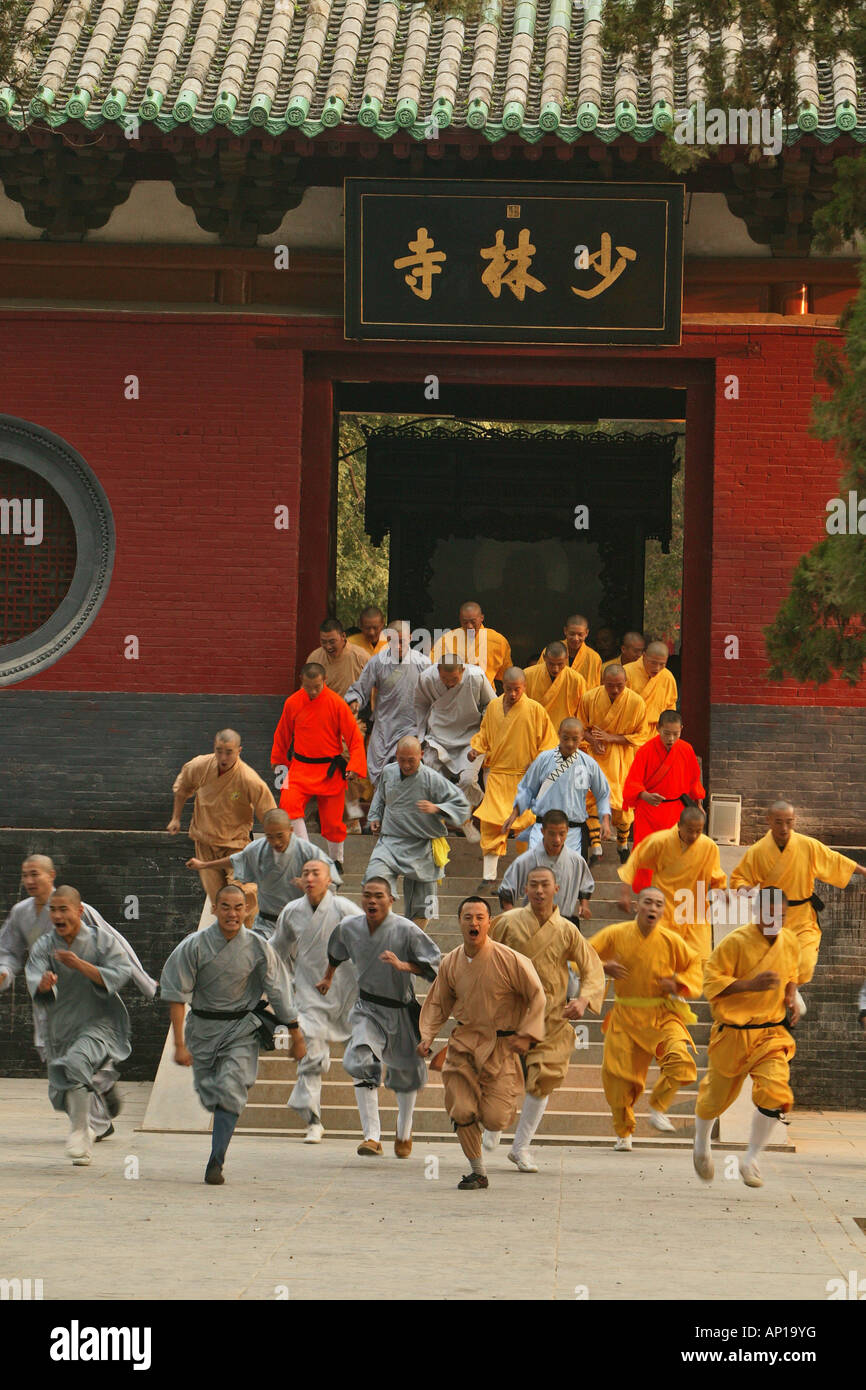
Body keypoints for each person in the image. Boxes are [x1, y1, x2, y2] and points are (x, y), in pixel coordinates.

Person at [0, 854, 157, 1141]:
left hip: (86, 996)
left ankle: (99, 1096)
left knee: (86, 1057)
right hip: (50, 996)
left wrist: (145, 982)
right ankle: (99, 1120)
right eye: (25, 875)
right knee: (56, 1057)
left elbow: (115, 943)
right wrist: (4, 972)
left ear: (51, 875)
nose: (29, 881)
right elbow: (8, 950)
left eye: (35, 874)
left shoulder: (78, 909)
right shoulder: (21, 912)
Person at [161, 883, 305, 1185]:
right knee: (209, 1093)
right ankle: (219, 1131)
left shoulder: (257, 946)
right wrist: (179, 1044)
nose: (232, 913)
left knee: (231, 1086)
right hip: (202, 1028)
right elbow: (176, 995)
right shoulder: (194, 945)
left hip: (241, 1029)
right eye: (225, 906)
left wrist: (295, 1033)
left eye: (239, 907)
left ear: (247, 910)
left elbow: (278, 990)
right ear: (214, 909)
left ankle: (216, 1160)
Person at [417, 896, 547, 1190]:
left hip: (501, 1046)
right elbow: (438, 1002)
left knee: (495, 1118)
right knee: (461, 1110)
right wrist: (427, 1036)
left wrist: (527, 1032)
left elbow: (537, 994)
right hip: (463, 1043)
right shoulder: (450, 962)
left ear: (489, 922)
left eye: (479, 917)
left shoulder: (510, 959)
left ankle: (485, 1121)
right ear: (459, 922)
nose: (473, 923)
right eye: (467, 917)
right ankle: (477, 1171)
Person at [487, 866, 605, 1171]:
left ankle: (521, 1147)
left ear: (557, 889)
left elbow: (591, 965)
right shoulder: (508, 923)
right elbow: (482, 952)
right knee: (500, 1075)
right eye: (533, 885)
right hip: (511, 1013)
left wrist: (583, 999)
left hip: (551, 1015)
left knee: (546, 1078)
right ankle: (493, 1122)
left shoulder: (566, 929)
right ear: (525, 890)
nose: (539, 891)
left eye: (545, 886)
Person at [316, 878, 441, 1158]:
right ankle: (372, 1136)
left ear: (391, 899)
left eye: (378, 896)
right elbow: (336, 951)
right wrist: (327, 977)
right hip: (367, 1008)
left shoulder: (406, 929)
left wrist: (403, 965)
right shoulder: (350, 927)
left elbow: (435, 966)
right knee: (361, 1059)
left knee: (405, 1077)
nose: (372, 901)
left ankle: (404, 1132)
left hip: (400, 1008)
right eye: (367, 896)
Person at [693, 888, 801, 1188]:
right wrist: (750, 985)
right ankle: (701, 1143)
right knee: (715, 1098)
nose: (775, 921)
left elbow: (792, 975)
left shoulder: (790, 941)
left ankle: (751, 1158)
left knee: (776, 1092)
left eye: (781, 915)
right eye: (769, 915)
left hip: (770, 1034)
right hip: (733, 1034)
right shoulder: (735, 943)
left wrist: (790, 997)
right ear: (756, 912)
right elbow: (712, 983)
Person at [25, 886, 136, 1167]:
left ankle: (77, 1131)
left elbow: (121, 972)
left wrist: (80, 965)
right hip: (61, 1027)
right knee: (60, 1091)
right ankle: (84, 1133)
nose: (58, 915)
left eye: (64, 909)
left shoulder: (101, 942)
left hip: (100, 1023)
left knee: (76, 1062)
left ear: (79, 911)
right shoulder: (45, 945)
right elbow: (34, 975)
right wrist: (43, 984)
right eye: (53, 910)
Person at [589, 886, 703, 1146]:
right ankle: (624, 1132)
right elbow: (582, 954)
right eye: (648, 902)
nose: (652, 908)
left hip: (662, 1014)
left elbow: (694, 964)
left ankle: (658, 1106)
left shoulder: (671, 940)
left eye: (658, 904)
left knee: (680, 1059)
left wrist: (678, 983)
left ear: (664, 910)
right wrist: (604, 966)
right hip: (625, 1016)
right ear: (637, 905)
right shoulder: (616, 934)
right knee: (617, 1079)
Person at [729, 800, 866, 991]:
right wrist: (744, 888)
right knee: (772, 966)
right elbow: (740, 877)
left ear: (794, 821)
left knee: (805, 961)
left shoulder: (807, 845)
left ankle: (791, 990)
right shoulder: (758, 851)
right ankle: (786, 995)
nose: (784, 828)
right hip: (772, 918)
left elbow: (834, 860)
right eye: (778, 822)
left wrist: (864, 871)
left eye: (789, 821)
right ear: (769, 821)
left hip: (803, 916)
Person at [270, 858, 360, 1143]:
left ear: (329, 879)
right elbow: (276, 951)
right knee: (311, 1056)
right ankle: (314, 1120)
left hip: (346, 991)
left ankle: (373, 1130)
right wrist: (276, 986)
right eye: (305, 873)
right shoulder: (292, 911)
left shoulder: (345, 909)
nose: (310, 878)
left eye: (315, 873)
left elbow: (369, 938)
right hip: (309, 992)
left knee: (363, 1056)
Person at [185, 808, 341, 938]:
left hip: (301, 922)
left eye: (280, 835)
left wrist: (312, 888)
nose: (276, 842)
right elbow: (236, 860)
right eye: (270, 837)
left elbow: (330, 880)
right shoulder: (258, 849)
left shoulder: (308, 851)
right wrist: (204, 865)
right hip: (266, 924)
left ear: (291, 830)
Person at [271, 663, 367, 874]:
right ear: (301, 681)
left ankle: (336, 860)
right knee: (288, 803)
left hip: (329, 770)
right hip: (300, 767)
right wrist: (280, 763)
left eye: (317, 687)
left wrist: (354, 766)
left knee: (333, 822)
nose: (313, 691)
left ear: (324, 681)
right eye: (308, 687)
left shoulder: (337, 704)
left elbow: (354, 739)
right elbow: (282, 735)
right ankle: (307, 854)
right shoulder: (292, 702)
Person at [365, 736, 470, 925]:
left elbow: (462, 804)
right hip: (390, 842)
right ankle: (382, 932)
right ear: (396, 756)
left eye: (411, 760)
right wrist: (375, 816)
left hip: (423, 845)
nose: (406, 765)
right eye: (402, 759)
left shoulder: (432, 779)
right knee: (374, 882)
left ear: (421, 755)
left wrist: (437, 808)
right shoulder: (388, 773)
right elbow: (380, 795)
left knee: (424, 907)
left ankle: (414, 941)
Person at [468, 668, 557, 890]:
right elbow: (484, 734)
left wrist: (536, 762)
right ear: (503, 688)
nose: (513, 694)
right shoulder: (493, 707)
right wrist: (476, 749)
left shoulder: (535, 710)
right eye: (509, 689)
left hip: (524, 778)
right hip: (497, 774)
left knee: (525, 825)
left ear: (524, 687)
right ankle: (489, 876)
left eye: (517, 689)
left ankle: (527, 875)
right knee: (491, 824)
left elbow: (549, 744)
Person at [168, 729, 275, 909]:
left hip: (235, 845)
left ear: (239, 751)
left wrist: (275, 845)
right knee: (220, 902)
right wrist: (175, 818)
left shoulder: (248, 779)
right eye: (219, 751)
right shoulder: (199, 766)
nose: (223, 757)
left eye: (229, 752)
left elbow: (269, 813)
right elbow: (182, 789)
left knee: (244, 895)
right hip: (204, 843)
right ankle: (227, 936)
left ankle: (252, 935)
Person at [616, 806, 726, 961]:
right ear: (679, 825)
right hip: (664, 912)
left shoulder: (709, 847)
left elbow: (717, 878)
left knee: (698, 961)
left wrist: (721, 894)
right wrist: (625, 893)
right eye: (689, 830)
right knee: (657, 960)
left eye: (698, 831)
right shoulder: (660, 841)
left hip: (695, 914)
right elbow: (634, 861)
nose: (694, 835)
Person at [503, 716, 611, 861]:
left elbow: (603, 793)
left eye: (575, 739)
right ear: (559, 734)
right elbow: (527, 789)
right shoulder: (544, 759)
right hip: (543, 828)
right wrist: (513, 815)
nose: (570, 743)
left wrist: (604, 820)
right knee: (538, 874)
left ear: (581, 738)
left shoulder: (588, 764)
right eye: (565, 738)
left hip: (573, 831)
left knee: (569, 878)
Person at [414, 653, 495, 841]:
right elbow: (420, 705)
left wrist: (485, 735)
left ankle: (464, 816)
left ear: (463, 670)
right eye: (445, 679)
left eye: (454, 679)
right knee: (431, 777)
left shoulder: (476, 676)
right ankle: (446, 822)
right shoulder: (427, 678)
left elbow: (492, 705)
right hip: (438, 735)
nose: (449, 683)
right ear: (437, 671)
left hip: (470, 737)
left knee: (467, 781)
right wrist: (420, 737)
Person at [345, 620, 430, 783]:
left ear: (410, 637)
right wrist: (355, 700)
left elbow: (434, 695)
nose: (398, 646)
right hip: (385, 726)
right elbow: (360, 688)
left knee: (408, 773)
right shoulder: (377, 662)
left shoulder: (422, 663)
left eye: (402, 641)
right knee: (381, 776)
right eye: (394, 642)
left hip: (411, 726)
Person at [579, 664, 647, 863]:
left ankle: (622, 843)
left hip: (622, 758)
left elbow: (640, 736)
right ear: (602, 682)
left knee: (623, 804)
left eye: (619, 685)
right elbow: (581, 727)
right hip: (595, 757)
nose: (615, 690)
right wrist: (593, 741)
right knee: (591, 799)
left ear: (626, 682)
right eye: (610, 685)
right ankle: (596, 846)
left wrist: (611, 738)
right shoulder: (589, 698)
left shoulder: (636, 702)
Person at [621, 710, 705, 851]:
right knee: (646, 856)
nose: (671, 739)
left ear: (681, 729)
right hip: (649, 812)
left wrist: (698, 803)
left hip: (677, 812)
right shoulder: (645, 751)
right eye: (666, 733)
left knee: (674, 856)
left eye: (675, 734)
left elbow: (694, 780)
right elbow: (632, 782)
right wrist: (644, 795)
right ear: (658, 728)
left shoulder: (686, 749)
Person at [499, 809, 595, 923]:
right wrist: (512, 920)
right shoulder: (526, 860)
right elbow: (506, 891)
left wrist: (584, 905)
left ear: (567, 831)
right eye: (552, 834)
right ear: (542, 831)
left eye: (562, 833)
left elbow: (585, 885)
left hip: (565, 922)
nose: (557, 839)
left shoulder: (577, 861)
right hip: (533, 923)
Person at [430, 601, 512, 686]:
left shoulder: (498, 641)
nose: (469, 626)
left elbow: (508, 676)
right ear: (460, 620)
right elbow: (432, 670)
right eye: (465, 622)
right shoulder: (446, 640)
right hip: (453, 694)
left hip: (484, 695)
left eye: (473, 622)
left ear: (481, 618)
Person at [523, 642, 587, 731]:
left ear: (566, 658)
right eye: (551, 664)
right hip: (534, 729)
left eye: (560, 664)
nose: (555, 669)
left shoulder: (577, 680)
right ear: (544, 658)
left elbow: (582, 713)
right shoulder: (527, 675)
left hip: (564, 734)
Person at [624, 641, 679, 744]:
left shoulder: (667, 677)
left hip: (656, 734)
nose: (657, 668)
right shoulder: (627, 673)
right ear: (644, 656)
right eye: (653, 663)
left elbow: (670, 708)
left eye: (662, 664)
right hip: (631, 733)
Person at [306, 617, 369, 696]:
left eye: (332, 642)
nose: (328, 647)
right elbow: (306, 688)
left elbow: (374, 689)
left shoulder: (361, 657)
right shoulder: (314, 658)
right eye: (323, 642)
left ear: (343, 636)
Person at [538, 614, 602, 689]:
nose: (576, 638)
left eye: (580, 634)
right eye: (572, 634)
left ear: (586, 633)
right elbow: (539, 678)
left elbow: (594, 690)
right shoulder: (550, 651)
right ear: (565, 631)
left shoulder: (594, 658)